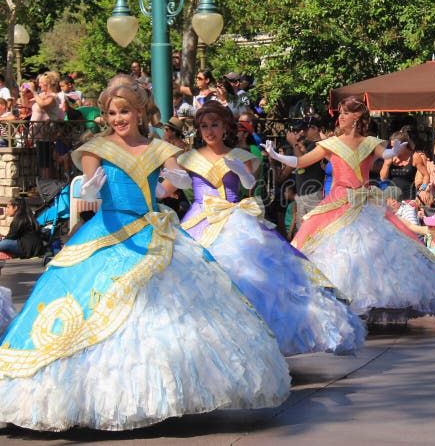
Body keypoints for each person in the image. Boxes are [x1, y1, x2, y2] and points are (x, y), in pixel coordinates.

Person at [0, 75, 291, 431]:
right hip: (107, 233)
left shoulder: (161, 149)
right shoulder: (97, 148)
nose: (118, 118)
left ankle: (169, 392)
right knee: (91, 307)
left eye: (124, 111)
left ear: (139, 112)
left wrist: (178, 179)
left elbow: (172, 179)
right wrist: (91, 185)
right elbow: (90, 183)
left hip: (155, 232)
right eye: (111, 112)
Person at [174, 101, 364, 356]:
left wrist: (243, 175)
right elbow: (170, 187)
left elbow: (250, 186)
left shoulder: (242, 156)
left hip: (232, 219)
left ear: (225, 126)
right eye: (204, 126)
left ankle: (256, 341)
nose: (210, 131)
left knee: (254, 275)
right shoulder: (187, 158)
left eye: (215, 124)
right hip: (198, 221)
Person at [263, 96, 435, 325]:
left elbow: (384, 155)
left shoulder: (369, 142)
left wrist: (393, 151)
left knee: (374, 252)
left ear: (356, 118)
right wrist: (276, 156)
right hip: (337, 203)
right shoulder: (331, 144)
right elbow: (302, 161)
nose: (340, 117)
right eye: (340, 113)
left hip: (365, 203)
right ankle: (336, 303)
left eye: (345, 113)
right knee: (339, 251)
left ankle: (373, 305)